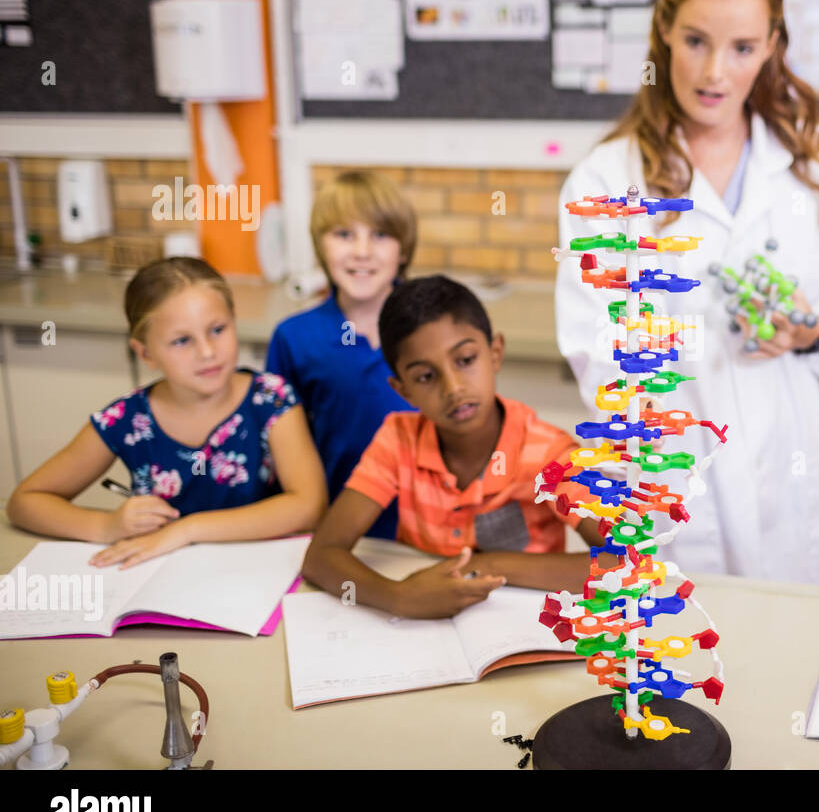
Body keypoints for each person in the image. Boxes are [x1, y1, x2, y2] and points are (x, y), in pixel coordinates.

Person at [555, 0, 819, 584]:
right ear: (664, 31)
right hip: (669, 459)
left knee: (787, 648)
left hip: (784, 456)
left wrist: (808, 329)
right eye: (696, 41)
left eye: (741, 48)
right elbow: (593, 341)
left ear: (771, 46)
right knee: (677, 657)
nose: (714, 72)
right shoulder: (605, 179)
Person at [303, 276, 606, 619]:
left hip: (524, 621)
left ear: (495, 354)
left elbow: (625, 561)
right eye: (425, 377)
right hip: (427, 631)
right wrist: (399, 597)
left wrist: (485, 564)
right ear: (403, 390)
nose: (453, 388)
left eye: (465, 360)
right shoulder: (398, 440)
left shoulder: (549, 453)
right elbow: (321, 557)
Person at [6, 257, 327, 568]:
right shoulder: (127, 419)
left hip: (257, 577)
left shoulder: (271, 398)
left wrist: (187, 530)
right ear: (145, 352)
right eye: (182, 340)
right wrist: (106, 526)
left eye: (217, 329)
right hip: (160, 578)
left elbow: (309, 506)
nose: (207, 352)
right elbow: (24, 502)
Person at [267, 170, 416, 540]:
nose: (362, 251)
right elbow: (277, 451)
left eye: (380, 235)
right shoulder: (295, 337)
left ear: (403, 249)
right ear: (321, 246)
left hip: (430, 532)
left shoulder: (433, 326)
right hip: (334, 532)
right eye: (344, 234)